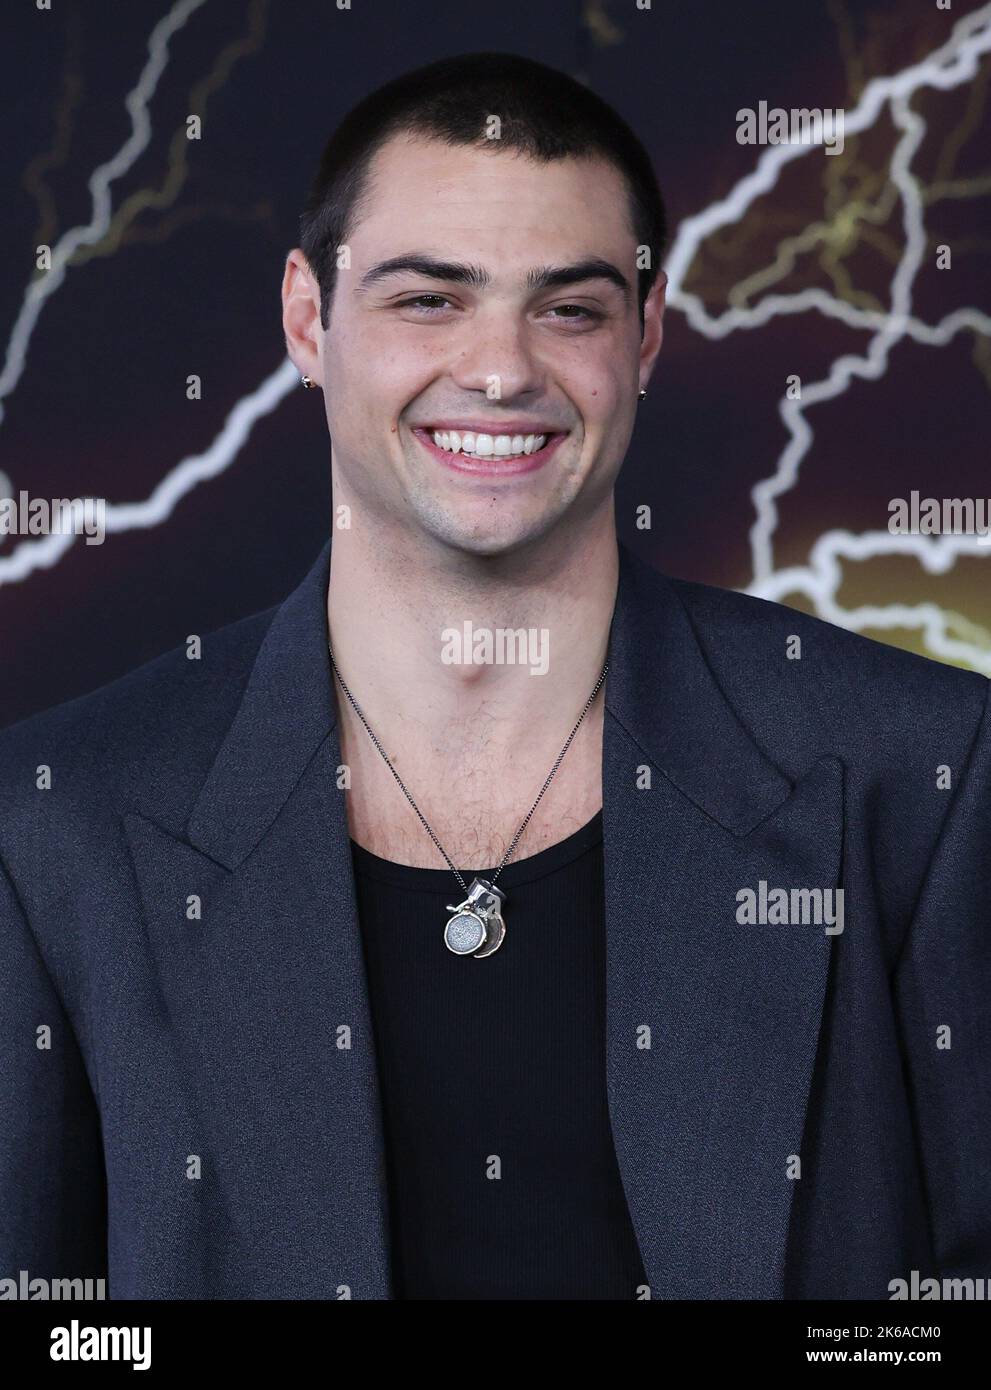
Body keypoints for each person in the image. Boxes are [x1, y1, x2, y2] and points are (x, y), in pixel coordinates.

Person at [1, 51, 988, 1302]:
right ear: (309, 320)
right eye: (429, 300)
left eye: (568, 308)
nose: (502, 369)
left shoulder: (921, 778)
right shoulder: (59, 822)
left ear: (646, 336)